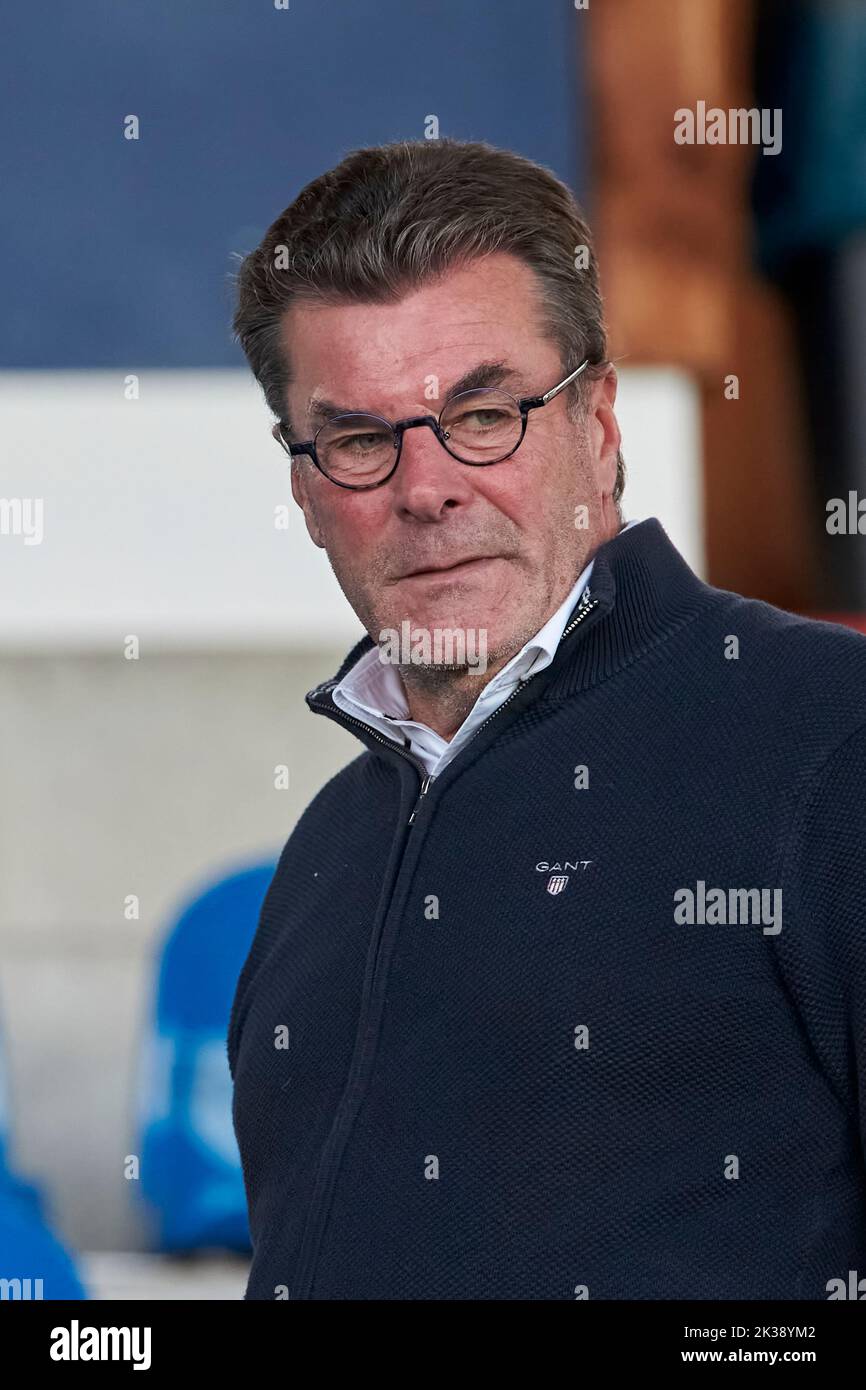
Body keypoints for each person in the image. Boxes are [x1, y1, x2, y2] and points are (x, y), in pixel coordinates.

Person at [228, 138, 866, 1300]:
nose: (425, 489)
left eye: (483, 413)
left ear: (601, 424)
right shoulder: (323, 854)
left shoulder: (834, 744)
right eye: (362, 440)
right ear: (307, 492)